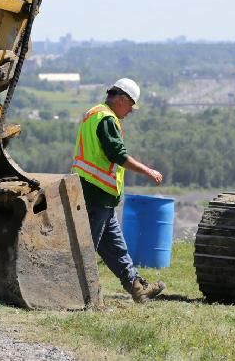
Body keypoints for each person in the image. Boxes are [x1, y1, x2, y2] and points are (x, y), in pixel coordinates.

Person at [71, 77, 166, 303]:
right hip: (95, 192)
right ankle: (81, 295)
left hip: (101, 194)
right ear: (121, 99)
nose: (132, 110)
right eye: (131, 104)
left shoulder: (96, 114)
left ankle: (137, 288)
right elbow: (118, 155)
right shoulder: (105, 118)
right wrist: (148, 171)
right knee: (87, 247)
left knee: (115, 246)